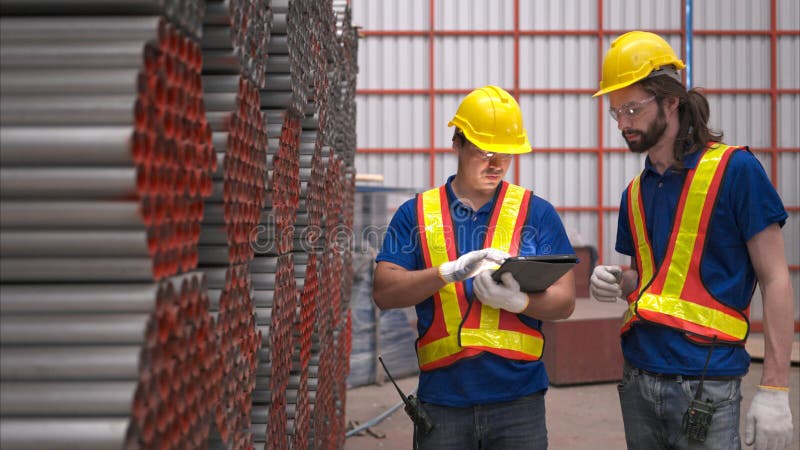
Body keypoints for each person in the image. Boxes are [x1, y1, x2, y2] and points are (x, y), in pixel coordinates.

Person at [590, 30, 795, 450]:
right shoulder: (634, 193)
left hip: (707, 384)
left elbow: (775, 279)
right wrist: (620, 281)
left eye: (632, 108)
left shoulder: (736, 171)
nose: (624, 123)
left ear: (671, 101)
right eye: (615, 113)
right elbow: (653, 280)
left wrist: (775, 388)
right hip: (638, 377)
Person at [372, 85, 576, 449]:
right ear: (457, 144)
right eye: (484, 151)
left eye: (506, 153)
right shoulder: (416, 214)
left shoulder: (537, 213)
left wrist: (521, 303)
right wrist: (445, 273)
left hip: (520, 401)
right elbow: (385, 292)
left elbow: (564, 301)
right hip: (443, 401)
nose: (496, 163)